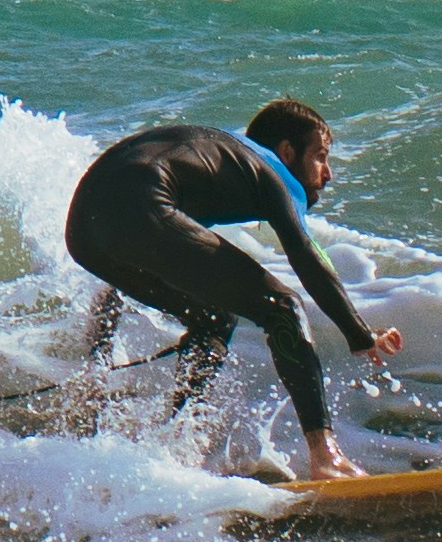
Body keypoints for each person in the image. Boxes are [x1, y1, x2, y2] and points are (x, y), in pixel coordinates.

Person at [63, 98, 402, 482]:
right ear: (288, 152)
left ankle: (165, 450)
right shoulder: (274, 171)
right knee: (284, 306)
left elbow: (120, 265)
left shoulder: (217, 156)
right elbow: (307, 257)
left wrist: (98, 354)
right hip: (142, 200)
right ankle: (325, 457)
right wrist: (359, 334)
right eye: (321, 156)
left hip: (82, 230)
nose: (328, 174)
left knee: (214, 318)